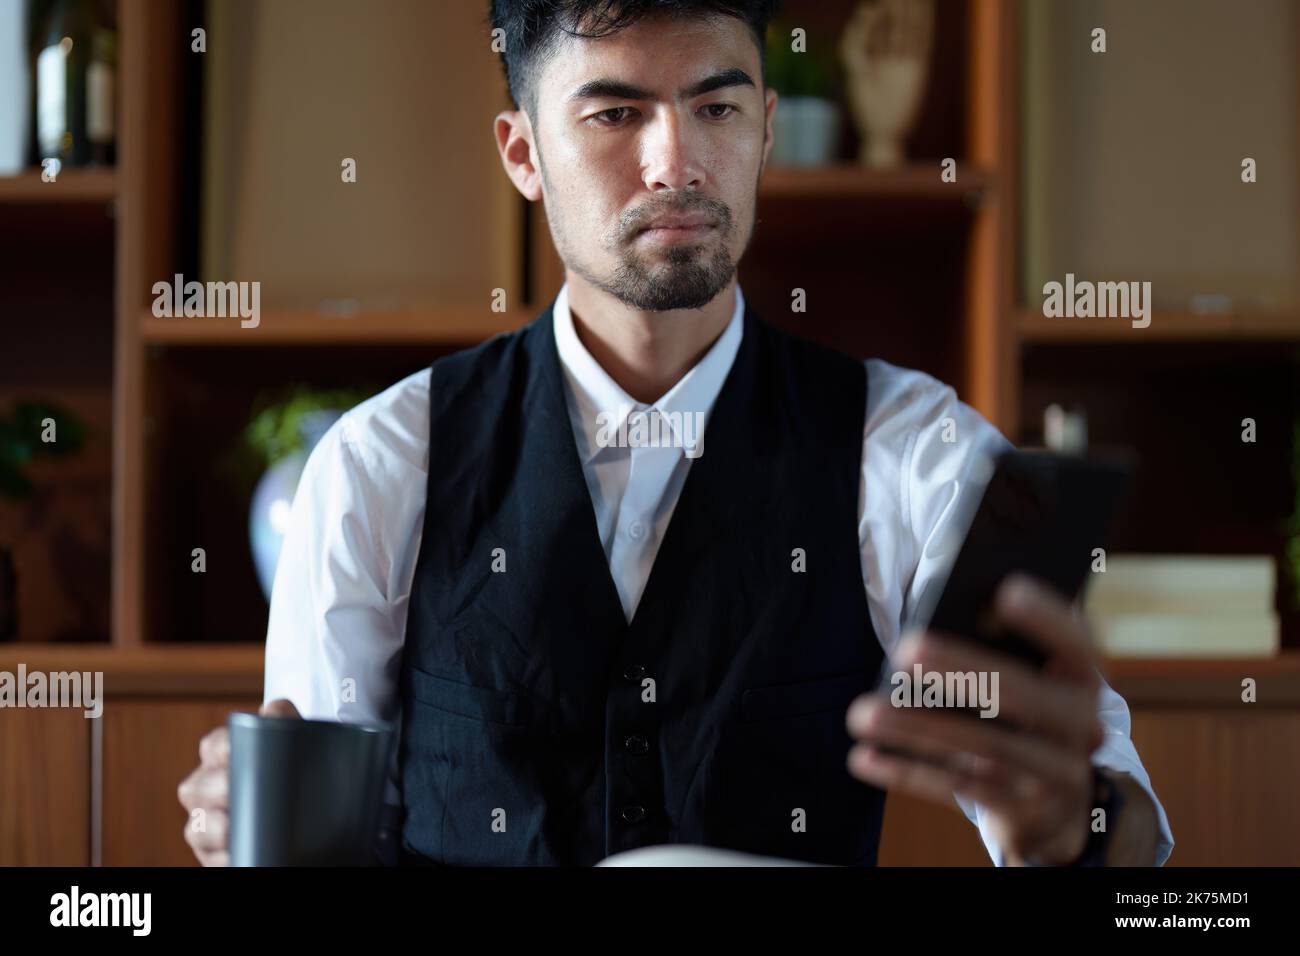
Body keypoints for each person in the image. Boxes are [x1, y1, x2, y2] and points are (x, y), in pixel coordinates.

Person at [178, 0, 1173, 867]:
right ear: (522, 152)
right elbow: (313, 834)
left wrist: (1072, 824)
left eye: (718, 107)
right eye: (616, 112)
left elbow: (1123, 833)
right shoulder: (378, 463)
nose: (677, 163)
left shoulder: (915, 454)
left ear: (766, 130)